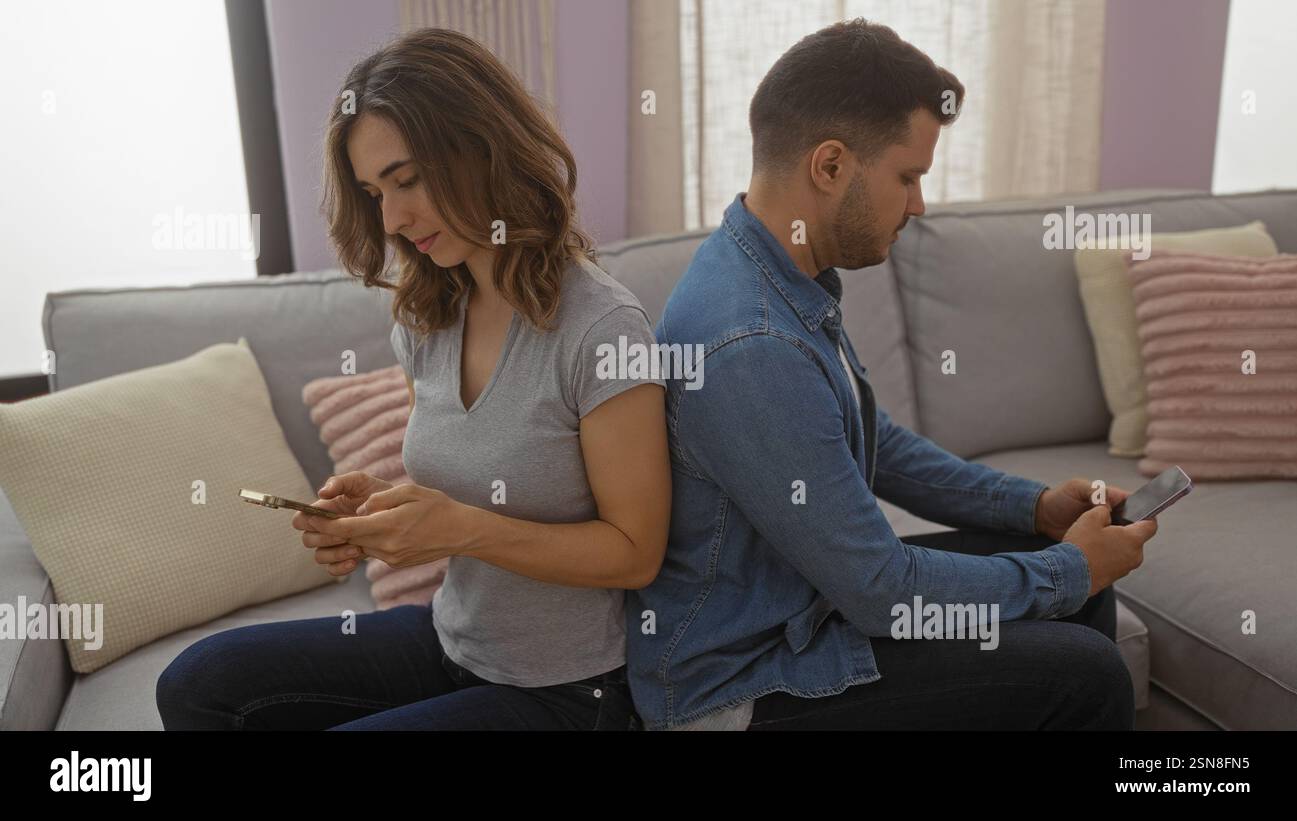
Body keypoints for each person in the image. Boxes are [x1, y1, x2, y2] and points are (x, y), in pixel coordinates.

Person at [626, 19, 1158, 731]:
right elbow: (881, 590)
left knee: (1067, 578)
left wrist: (1033, 509)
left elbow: (872, 441)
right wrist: (1070, 569)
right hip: (744, 683)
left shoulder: (779, 273)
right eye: (908, 177)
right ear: (830, 165)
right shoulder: (750, 339)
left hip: (804, 613)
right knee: (1085, 668)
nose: (919, 206)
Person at [156, 28, 670, 731]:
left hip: (572, 690)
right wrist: (379, 514)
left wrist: (462, 528)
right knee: (198, 683)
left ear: (484, 147)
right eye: (374, 193)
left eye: (406, 180)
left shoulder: (603, 328)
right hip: (454, 641)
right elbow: (472, 481)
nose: (392, 219)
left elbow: (636, 551)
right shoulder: (430, 316)